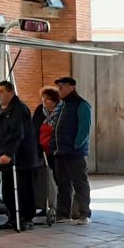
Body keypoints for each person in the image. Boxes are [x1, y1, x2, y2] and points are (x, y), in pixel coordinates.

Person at [0, 80, 36, 232]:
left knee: (23, 188)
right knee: (7, 190)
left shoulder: (19, 109)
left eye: (1, 91)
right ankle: (12, 217)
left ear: (10, 92)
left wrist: (9, 153)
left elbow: (17, 133)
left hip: (20, 157)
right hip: (1, 156)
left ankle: (26, 218)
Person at [50, 75, 94, 225]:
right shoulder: (61, 106)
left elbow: (84, 129)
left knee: (80, 183)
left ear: (71, 87)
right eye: (58, 87)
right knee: (62, 185)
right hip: (60, 152)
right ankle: (63, 214)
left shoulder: (82, 105)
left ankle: (84, 214)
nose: (59, 90)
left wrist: (76, 145)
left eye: (61, 87)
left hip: (74, 153)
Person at [31, 87, 59, 225]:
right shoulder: (39, 111)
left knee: (58, 179)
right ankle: (46, 205)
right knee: (45, 180)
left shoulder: (60, 111)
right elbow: (34, 128)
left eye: (46, 99)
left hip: (56, 151)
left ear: (54, 100)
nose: (44, 101)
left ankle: (59, 206)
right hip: (42, 151)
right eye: (43, 98)